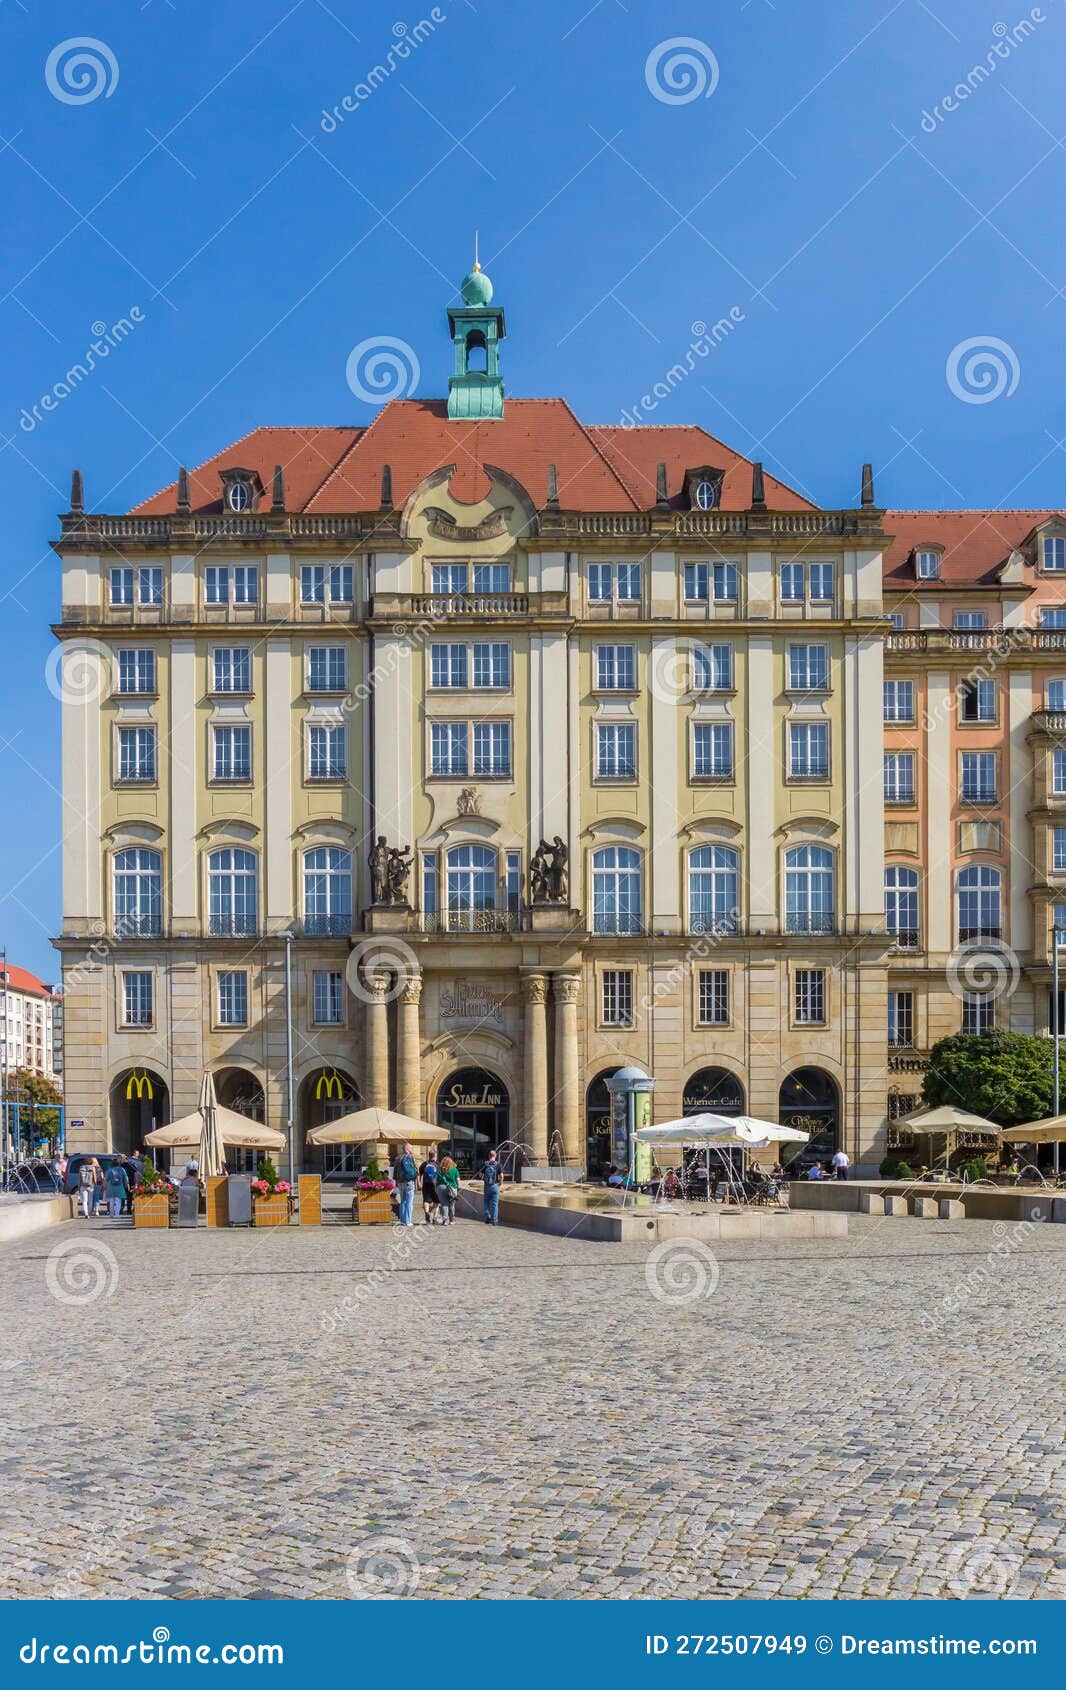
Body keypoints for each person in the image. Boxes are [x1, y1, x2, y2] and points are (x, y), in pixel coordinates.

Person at [392, 1143, 418, 1227]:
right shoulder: (410, 1157)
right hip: (409, 1181)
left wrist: (396, 1182)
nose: (412, 1150)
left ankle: (402, 1220)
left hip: (400, 1182)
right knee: (409, 1202)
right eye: (411, 1148)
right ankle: (408, 1221)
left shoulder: (397, 1158)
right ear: (407, 1149)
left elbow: (395, 1172)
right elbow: (415, 1170)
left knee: (403, 1201)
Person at [436, 1154, 459, 1225]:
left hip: (441, 1187)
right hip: (452, 1188)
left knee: (444, 1204)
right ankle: (452, 1220)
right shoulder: (454, 1169)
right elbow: (458, 1179)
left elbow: (435, 1180)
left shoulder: (439, 1169)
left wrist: (435, 1188)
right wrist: (457, 1187)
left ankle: (445, 1220)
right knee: (452, 1204)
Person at [482, 1148, 502, 1225]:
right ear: (495, 1156)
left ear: (488, 1156)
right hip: (495, 1186)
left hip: (487, 1186)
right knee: (495, 1204)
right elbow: (501, 1175)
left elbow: (481, 1174)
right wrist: (500, 1183)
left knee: (486, 1202)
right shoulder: (498, 1164)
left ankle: (488, 1215)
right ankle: (494, 1220)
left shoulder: (485, 1164)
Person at [419, 1155, 440, 1225]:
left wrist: (419, 1183)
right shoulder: (437, 1164)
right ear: (435, 1156)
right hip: (435, 1185)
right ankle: (435, 1218)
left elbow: (419, 1174)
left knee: (426, 1200)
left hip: (425, 1184)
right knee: (436, 1202)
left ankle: (427, 1214)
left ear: (429, 1156)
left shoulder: (424, 1164)